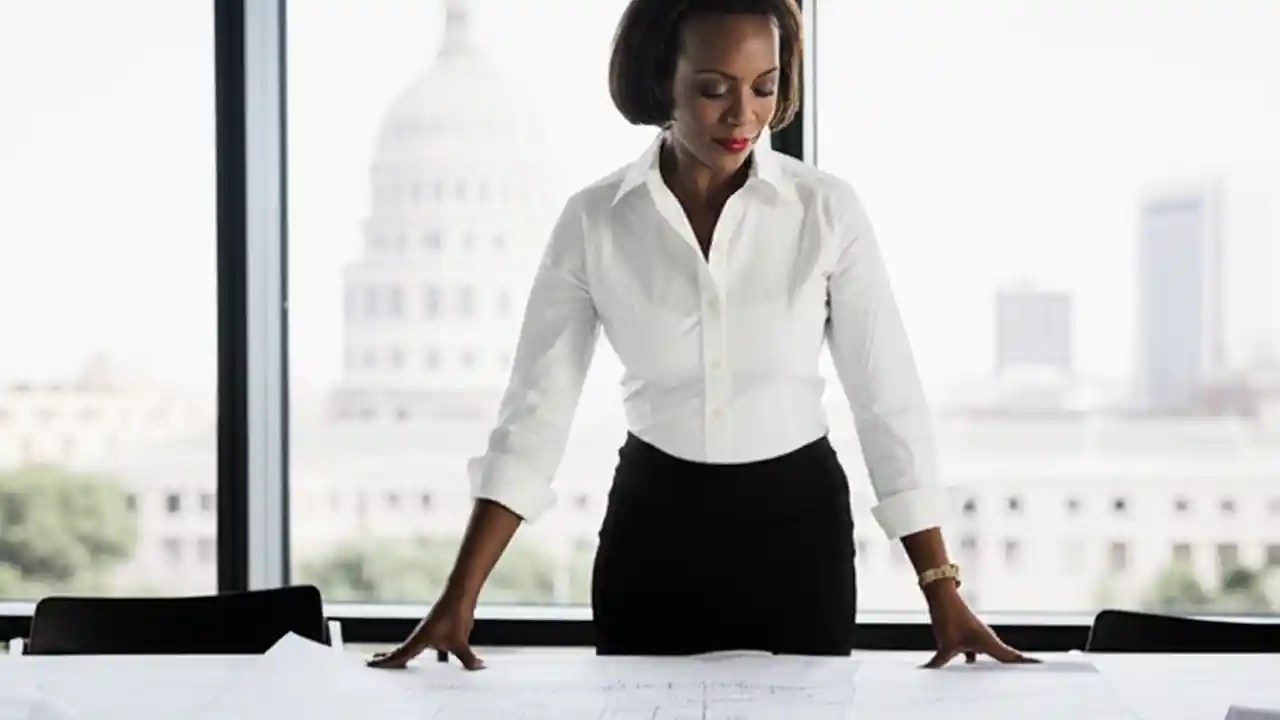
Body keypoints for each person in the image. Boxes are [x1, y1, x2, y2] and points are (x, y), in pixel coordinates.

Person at [370, 0, 1035, 671]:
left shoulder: (827, 210)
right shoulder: (593, 222)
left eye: (765, 87)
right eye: (714, 89)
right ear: (663, 80)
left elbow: (886, 401)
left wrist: (941, 591)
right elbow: (532, 417)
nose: (744, 115)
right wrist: (460, 597)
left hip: (798, 538)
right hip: (653, 535)